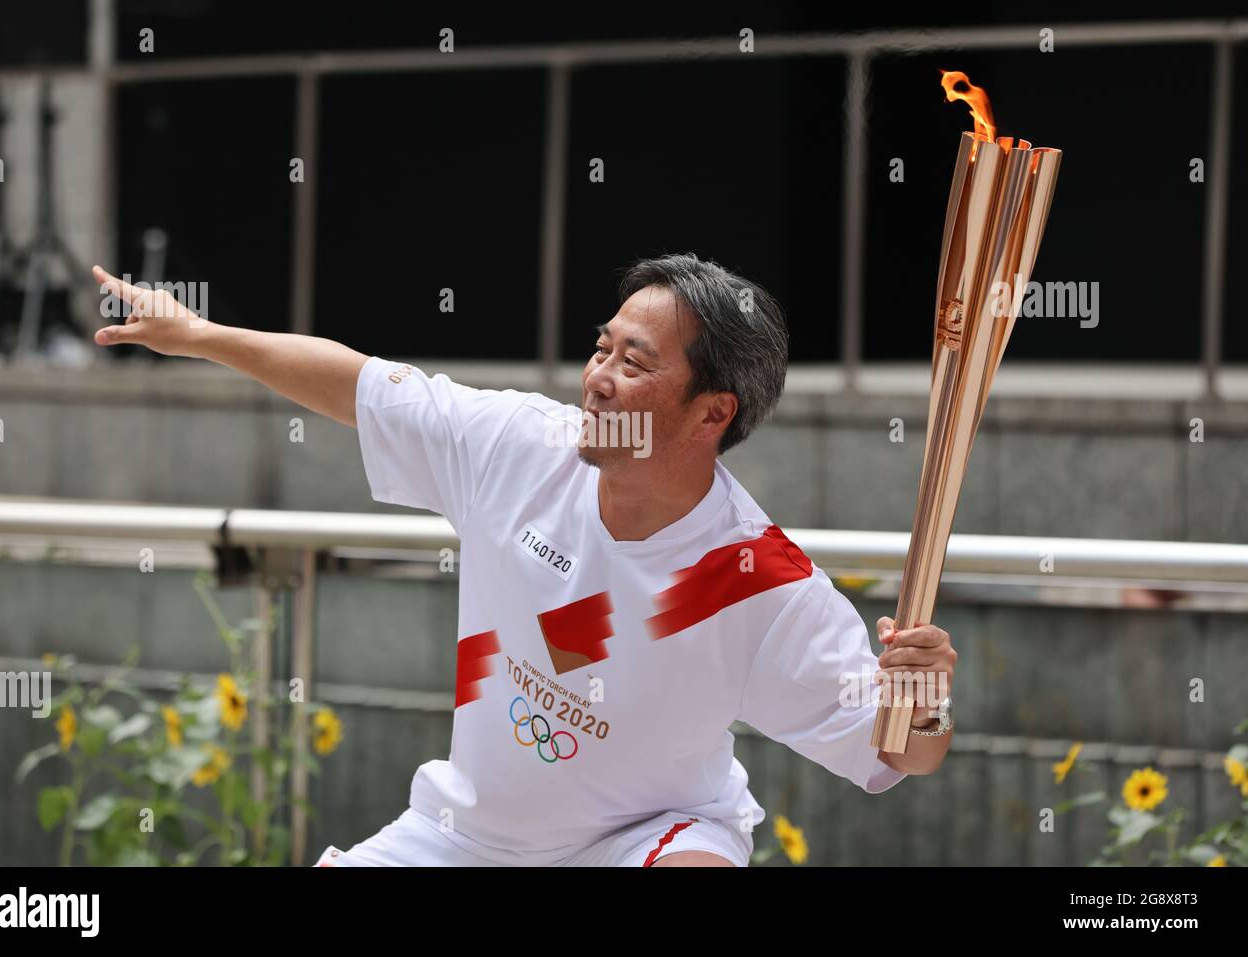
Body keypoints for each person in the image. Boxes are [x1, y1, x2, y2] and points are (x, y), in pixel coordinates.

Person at [90, 252, 956, 867]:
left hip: (646, 836)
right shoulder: (520, 447)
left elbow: (902, 754)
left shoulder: (757, 578)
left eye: (636, 362)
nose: (598, 377)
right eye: (602, 347)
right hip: (465, 836)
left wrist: (923, 700)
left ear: (711, 413)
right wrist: (200, 334)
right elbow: (356, 382)